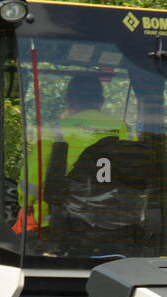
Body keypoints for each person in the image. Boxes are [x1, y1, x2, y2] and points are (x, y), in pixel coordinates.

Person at [15, 73, 130, 233]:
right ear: (101, 101)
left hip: (59, 223)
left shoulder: (55, 132)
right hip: (114, 221)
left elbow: (32, 179)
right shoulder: (125, 132)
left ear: (69, 100)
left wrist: (24, 202)